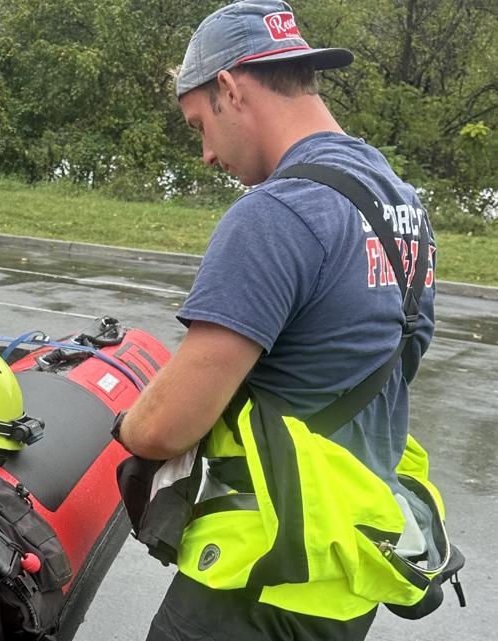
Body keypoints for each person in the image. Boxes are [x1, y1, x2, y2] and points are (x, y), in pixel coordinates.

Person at [113, 1, 441, 640]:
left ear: (230, 89)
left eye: (198, 124)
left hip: (254, 578)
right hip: (348, 580)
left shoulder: (279, 212)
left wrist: (126, 419)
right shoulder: (404, 210)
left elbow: (164, 427)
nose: (207, 154)